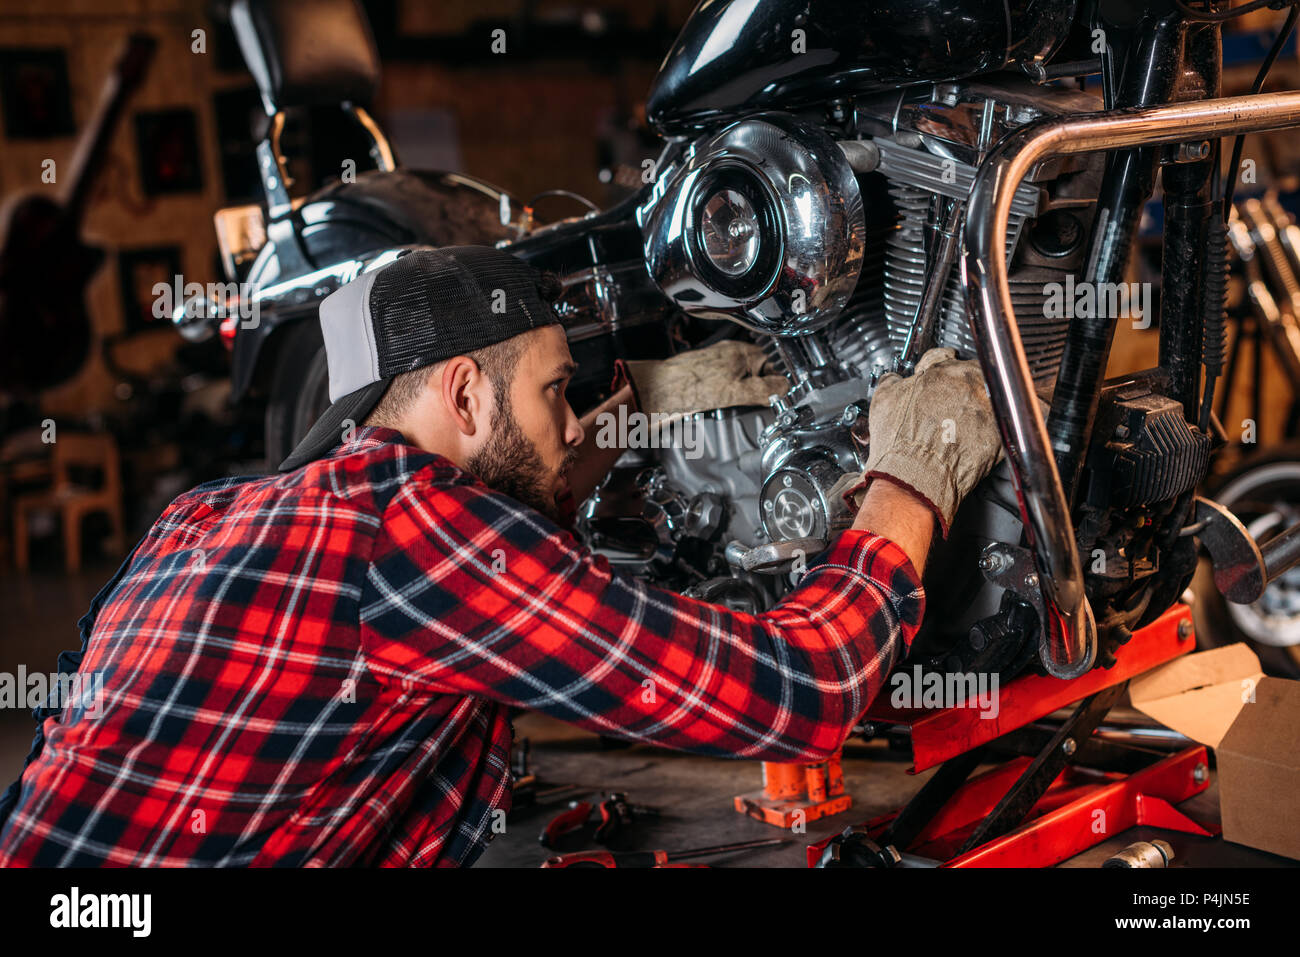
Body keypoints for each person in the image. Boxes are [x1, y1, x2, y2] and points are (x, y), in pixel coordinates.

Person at [0, 246, 1002, 867]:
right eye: (555, 392)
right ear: (467, 395)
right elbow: (801, 690)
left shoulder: (205, 514)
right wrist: (910, 479)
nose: (571, 421)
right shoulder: (421, 534)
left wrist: (562, 476)